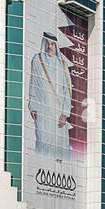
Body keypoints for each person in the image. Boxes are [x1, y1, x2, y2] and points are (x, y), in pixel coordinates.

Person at [28, 31, 71, 160]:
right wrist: (33, 106)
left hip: (58, 113)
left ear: (56, 46)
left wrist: (65, 113)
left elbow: (67, 91)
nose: (49, 46)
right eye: (46, 43)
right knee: (43, 141)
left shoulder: (62, 65)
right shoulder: (37, 60)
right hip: (43, 111)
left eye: (52, 44)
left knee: (60, 145)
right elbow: (33, 83)